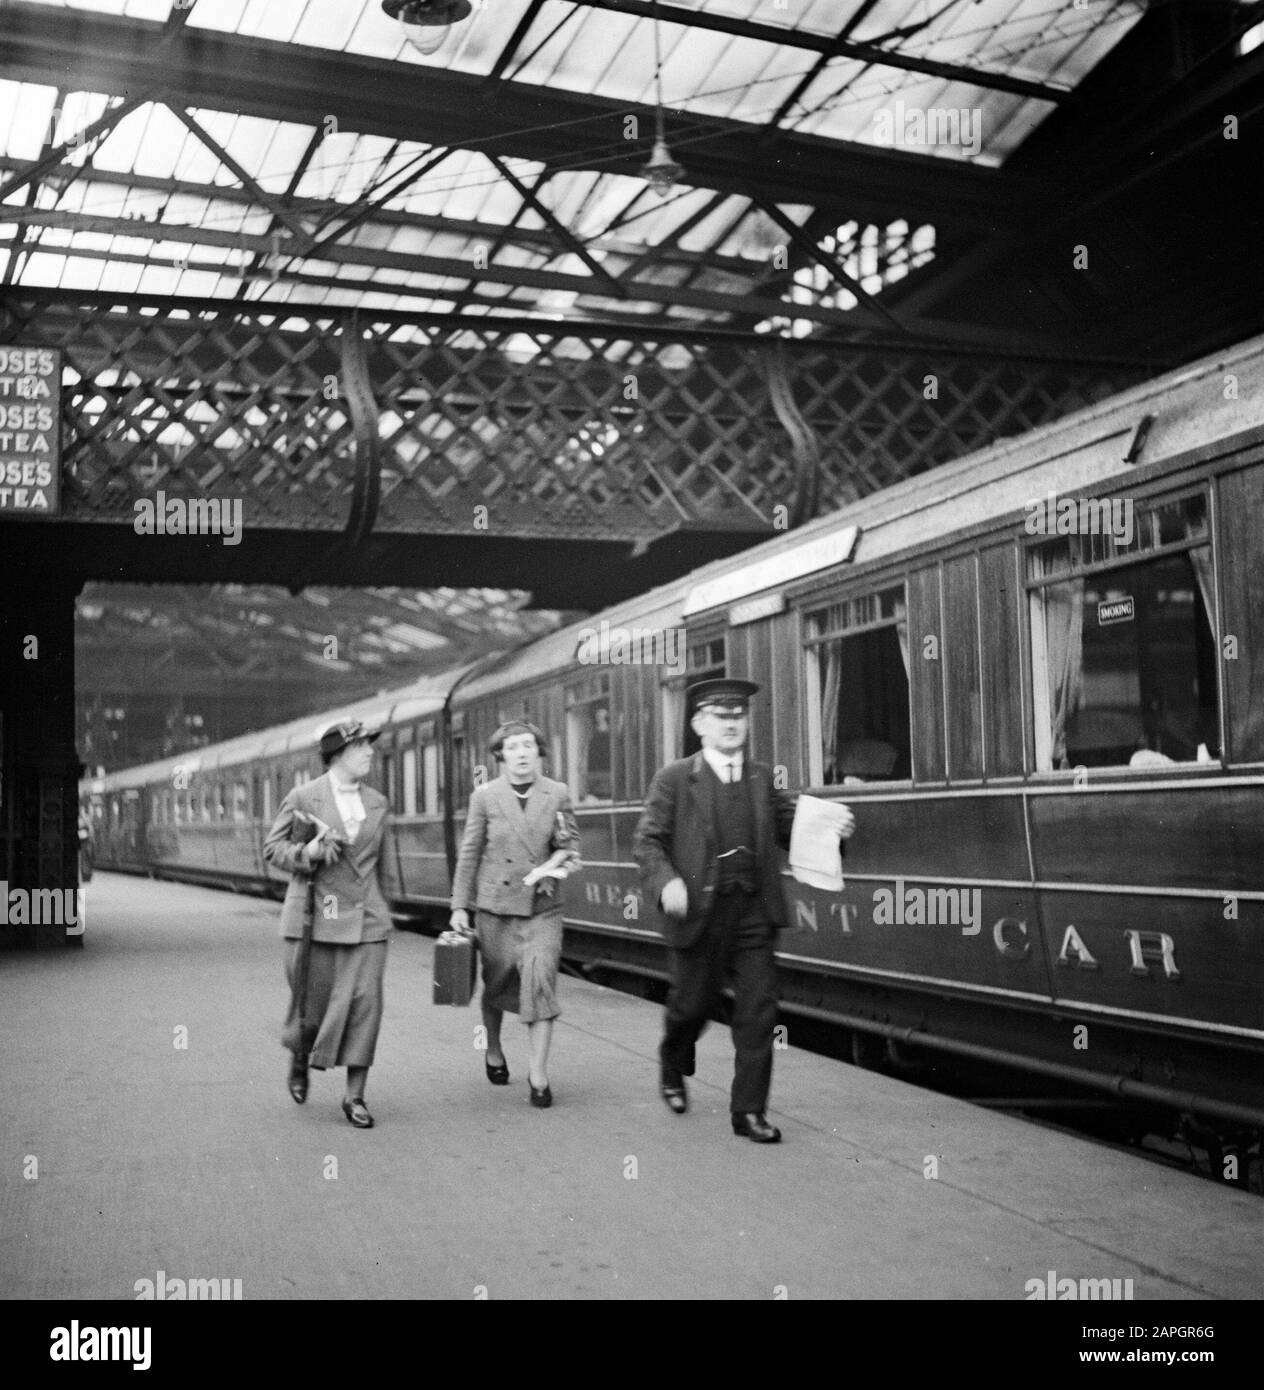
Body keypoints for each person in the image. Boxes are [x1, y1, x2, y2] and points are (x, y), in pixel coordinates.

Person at [633, 679, 855, 1143]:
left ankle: (748, 1112)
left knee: (758, 1013)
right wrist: (667, 882)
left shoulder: (761, 776)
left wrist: (832, 828)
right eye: (720, 716)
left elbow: (789, 827)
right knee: (691, 1006)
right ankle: (673, 1062)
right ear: (699, 725)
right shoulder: (674, 778)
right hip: (698, 915)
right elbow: (648, 841)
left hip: (753, 912)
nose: (731, 724)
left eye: (738, 716)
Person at [263, 720, 390, 1129]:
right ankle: (301, 1055)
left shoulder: (378, 802)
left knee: (365, 1005)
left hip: (367, 918)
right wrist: (309, 851)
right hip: (316, 916)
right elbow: (273, 848)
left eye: (370, 745)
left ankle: (355, 1096)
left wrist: (385, 910)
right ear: (337, 755)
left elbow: (377, 865)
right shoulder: (304, 796)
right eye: (361, 746)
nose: (370, 751)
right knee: (313, 1007)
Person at [449, 721, 580, 1109]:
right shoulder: (485, 797)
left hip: (542, 908)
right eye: (512, 747)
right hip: (495, 908)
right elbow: (469, 853)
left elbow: (570, 842)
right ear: (500, 756)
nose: (521, 753)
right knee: (497, 984)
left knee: (540, 982)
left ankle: (538, 1076)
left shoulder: (557, 793)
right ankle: (493, 1046)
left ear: (539, 752)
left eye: (528, 746)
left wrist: (554, 865)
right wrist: (459, 906)